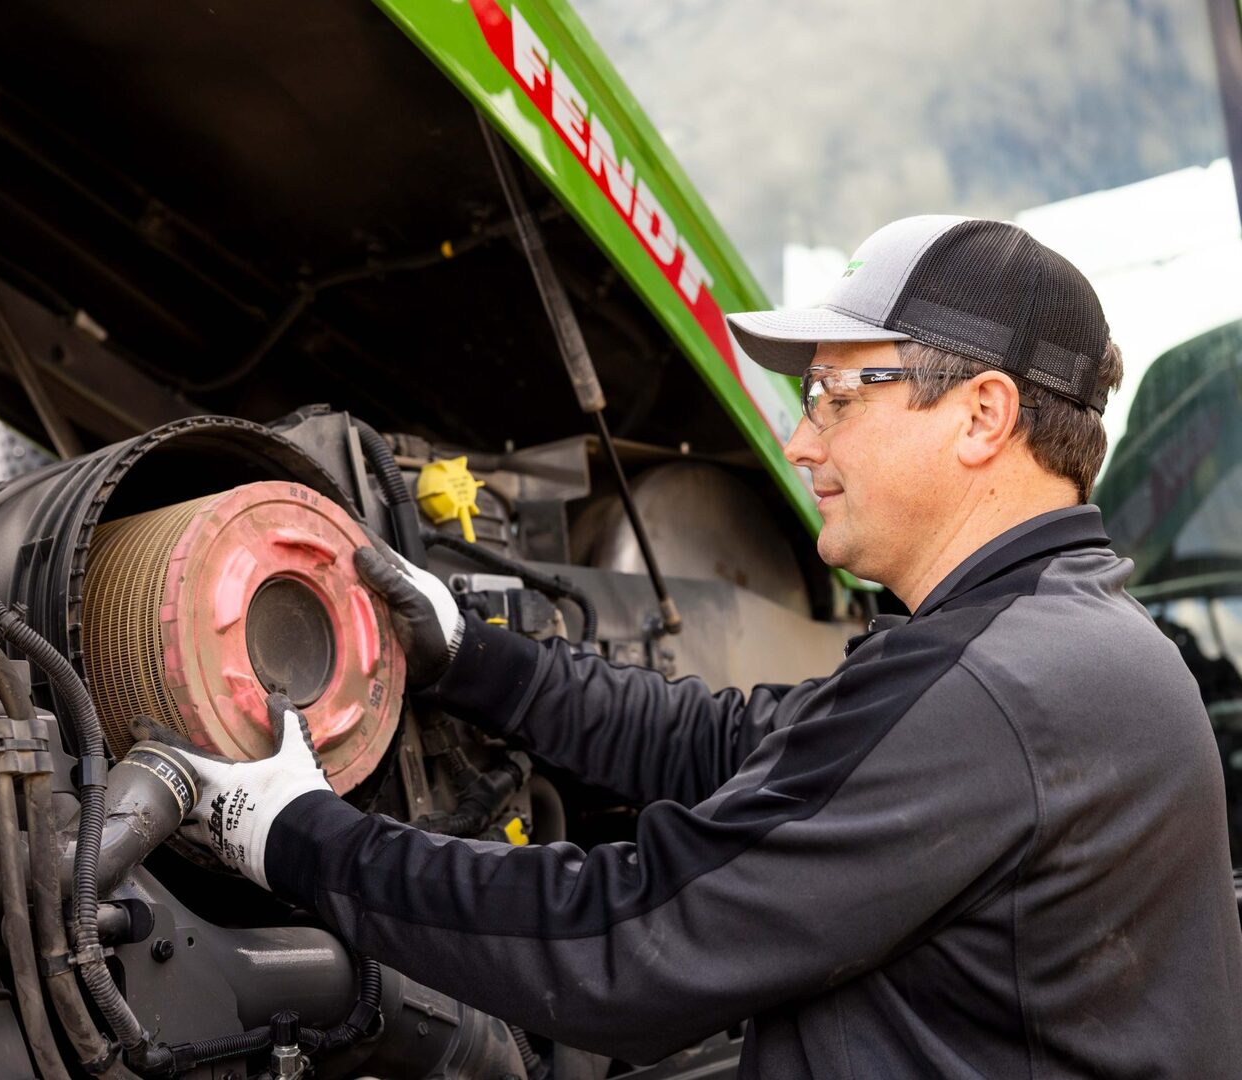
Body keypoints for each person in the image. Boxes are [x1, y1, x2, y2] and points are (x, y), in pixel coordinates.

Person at [137, 216, 1242, 1077]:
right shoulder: (1050, 640)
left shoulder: (999, 685)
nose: (801, 441)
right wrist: (474, 658)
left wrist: (295, 837)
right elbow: (732, 748)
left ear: (983, 415)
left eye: (833, 395)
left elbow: (628, 945)